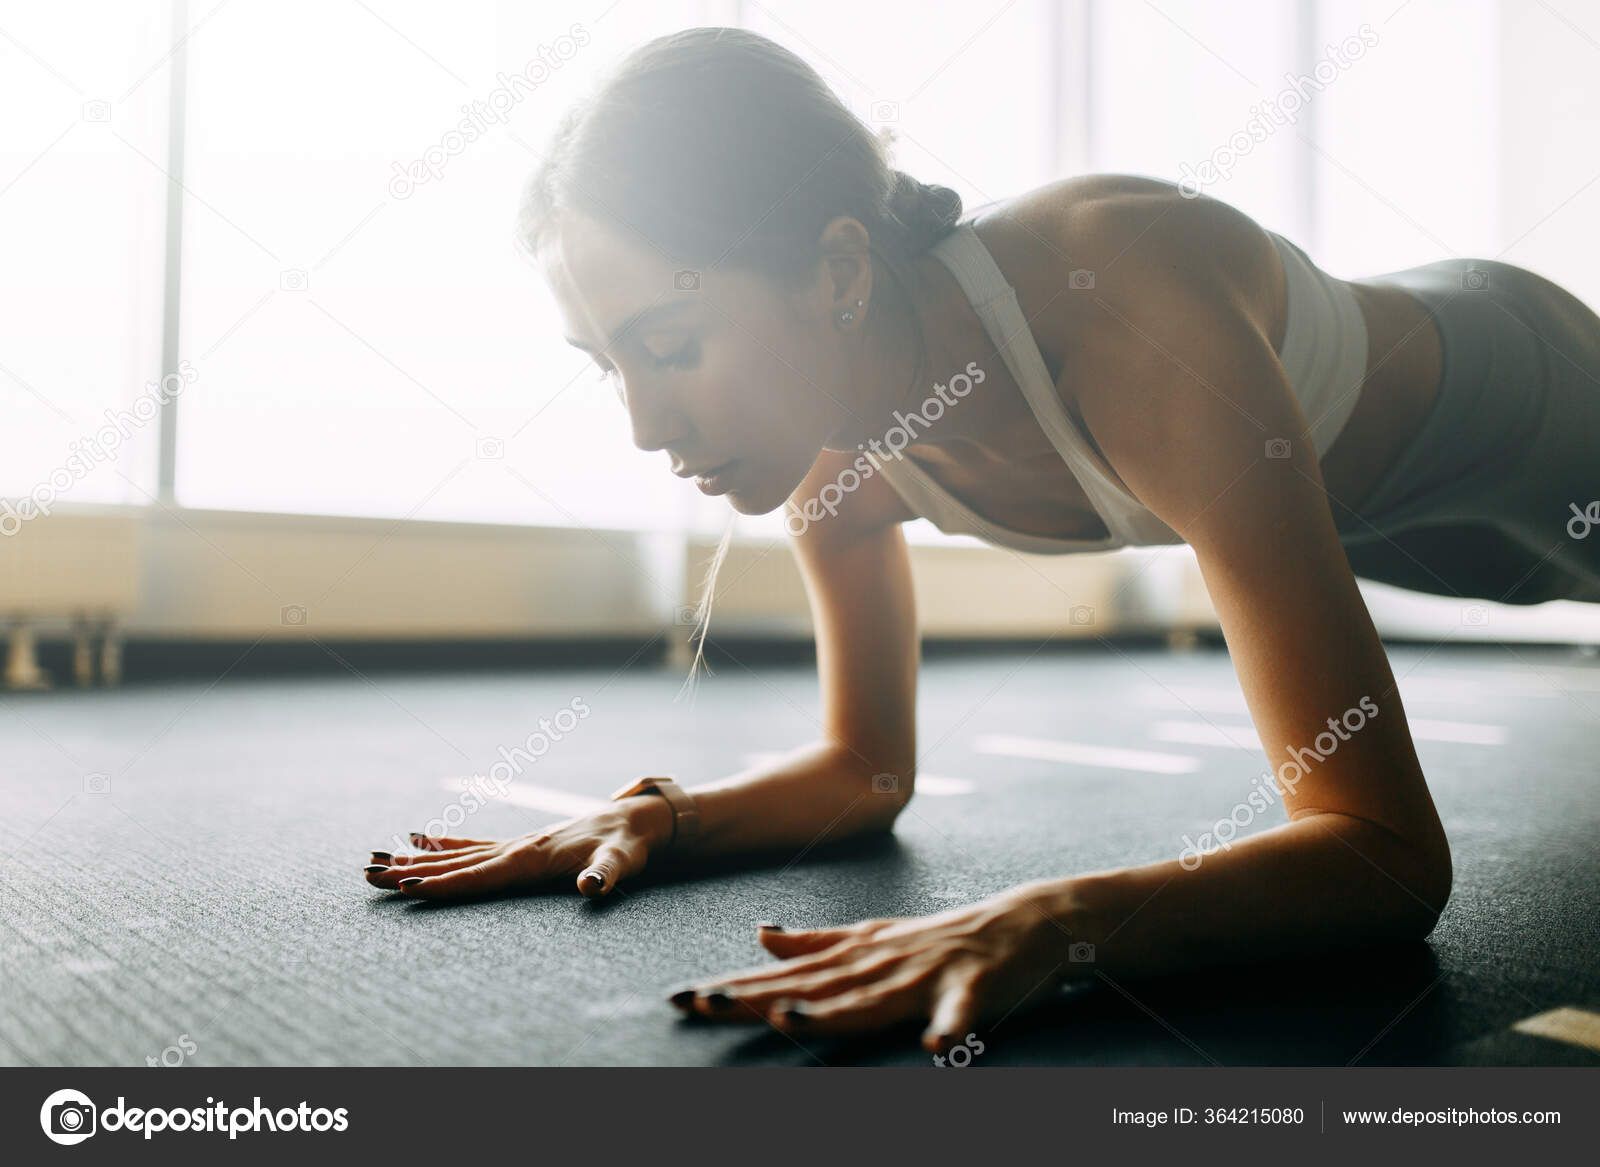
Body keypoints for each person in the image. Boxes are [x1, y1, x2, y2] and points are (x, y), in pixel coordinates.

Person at [362, 27, 1600, 1053]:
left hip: (1540, 412)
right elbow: (864, 770)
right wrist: (669, 815)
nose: (644, 424)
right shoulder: (834, 479)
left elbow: (1385, 857)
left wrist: (1048, 921)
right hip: (1376, 524)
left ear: (837, 267)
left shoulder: (1119, 305)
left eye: (672, 348)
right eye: (607, 366)